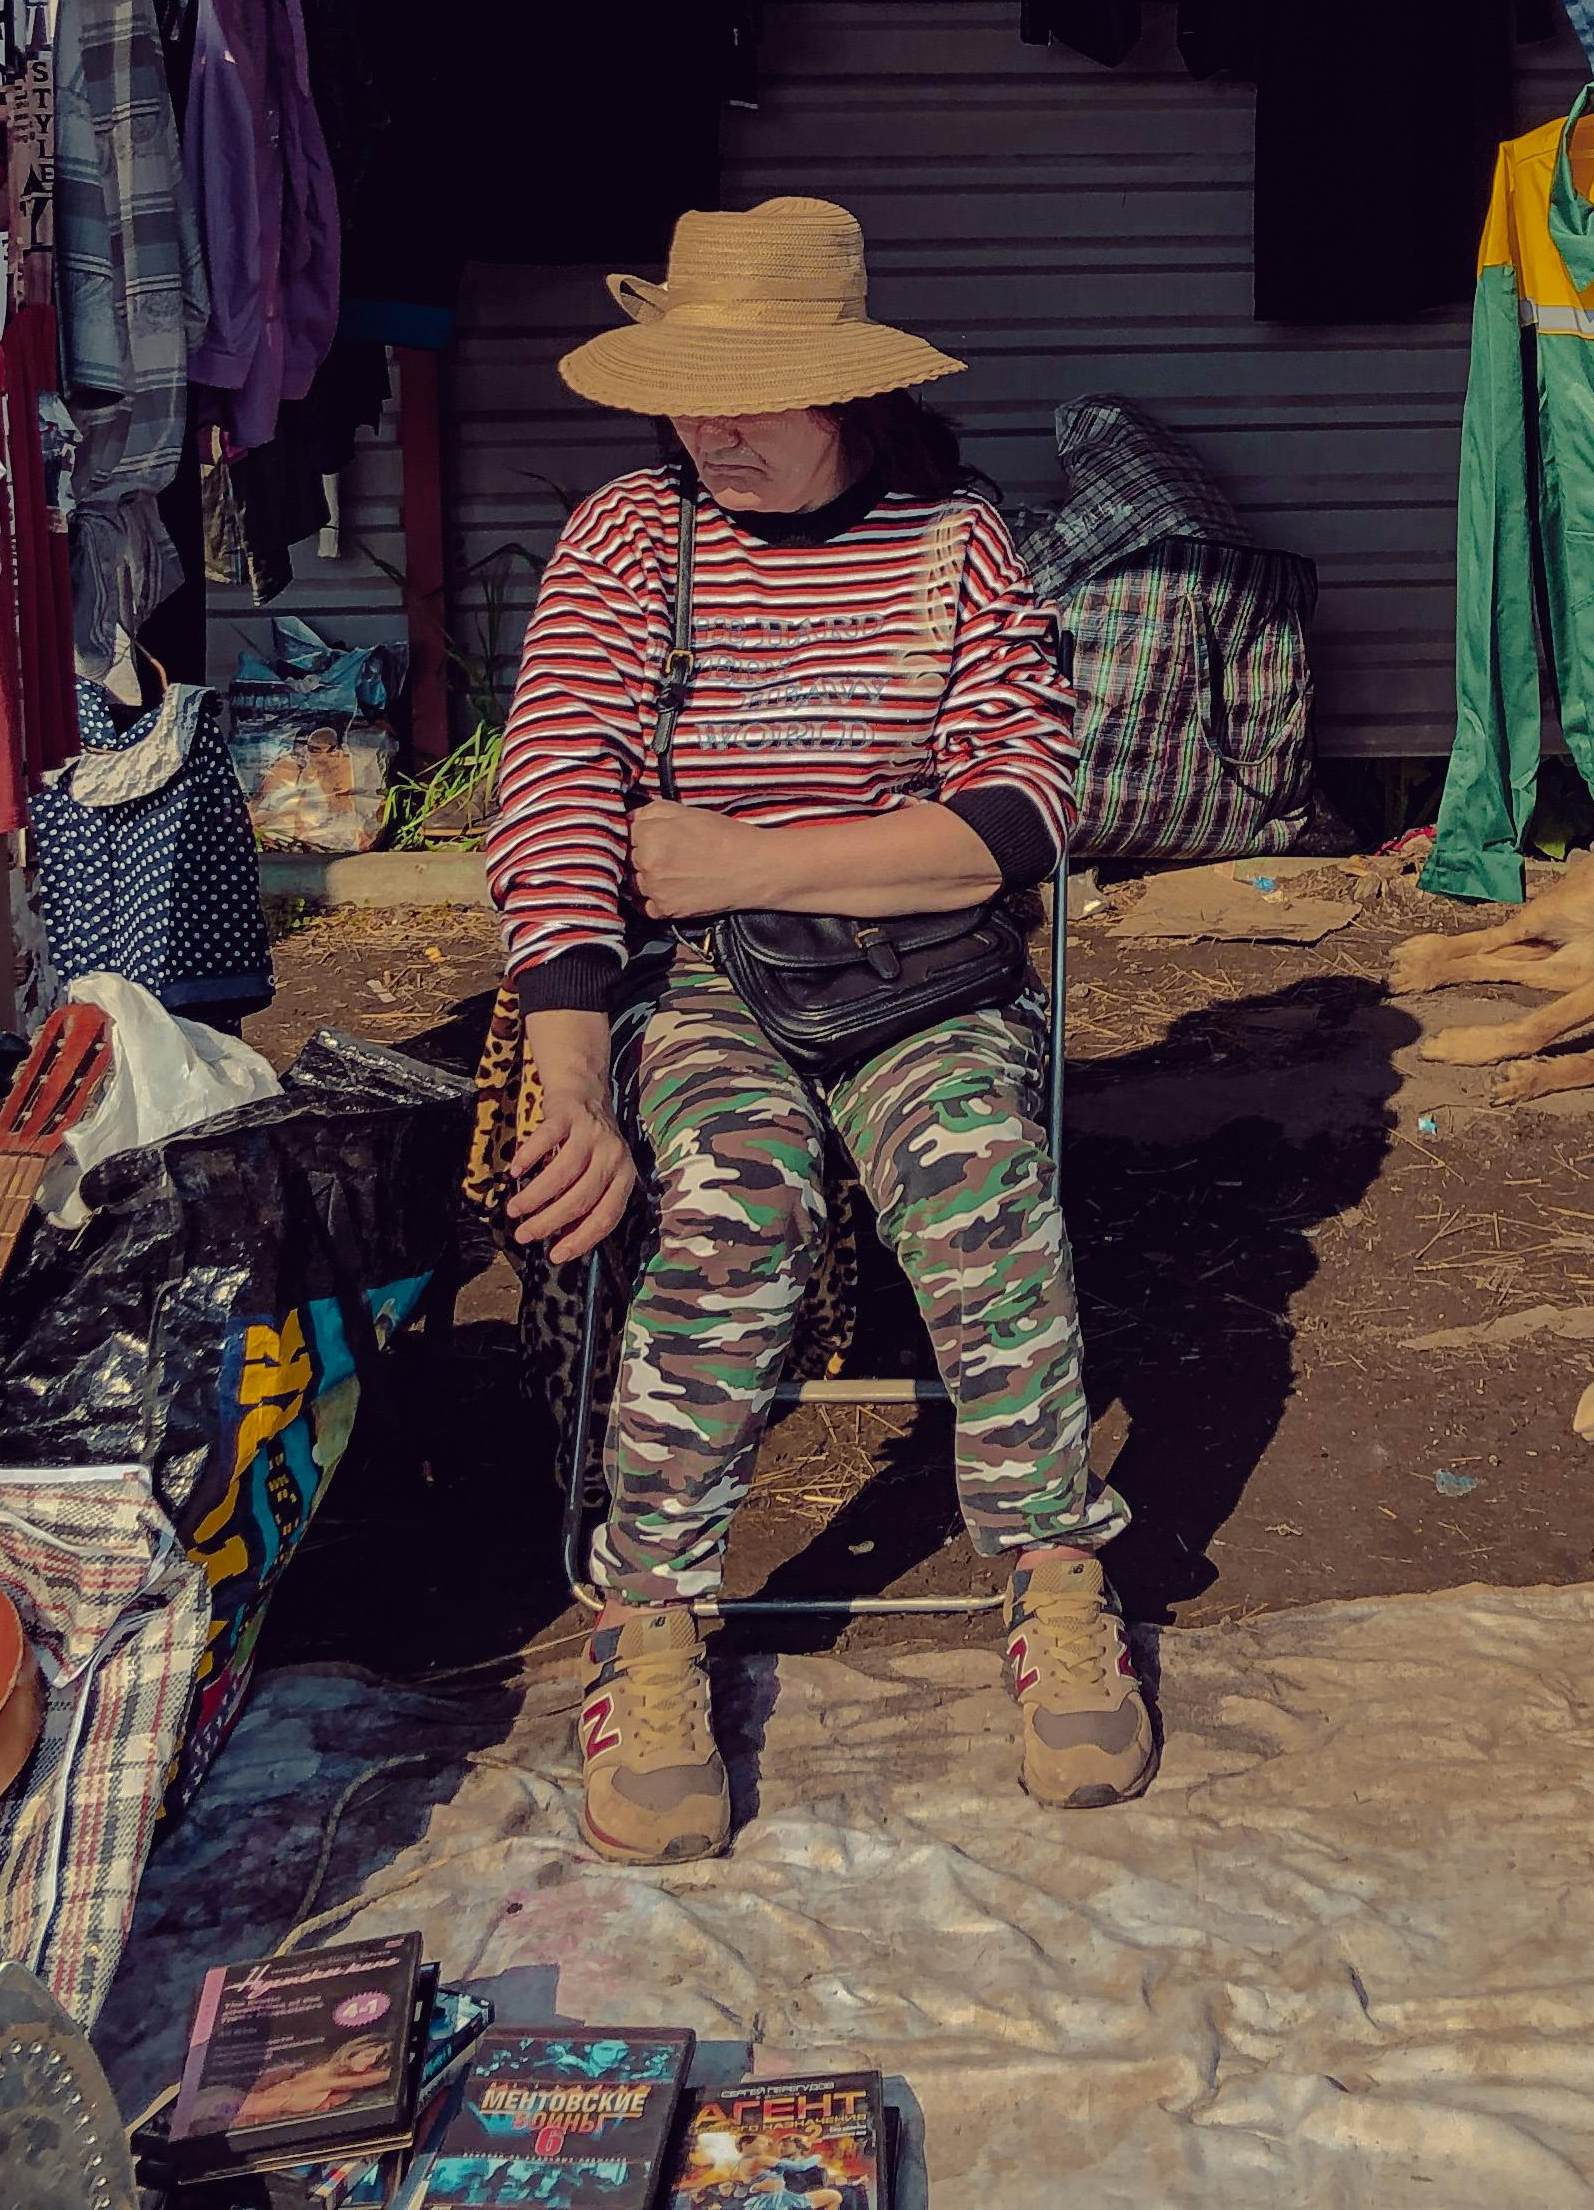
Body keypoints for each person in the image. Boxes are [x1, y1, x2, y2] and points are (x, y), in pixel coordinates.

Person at [481, 195, 1150, 1862]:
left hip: (920, 973)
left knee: (982, 1175)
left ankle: (1054, 1570)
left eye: (750, 393)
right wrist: (573, 1075)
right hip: (706, 983)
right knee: (727, 1199)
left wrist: (743, 854)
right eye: (685, 391)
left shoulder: (959, 540)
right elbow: (560, 793)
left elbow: (1017, 816)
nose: (708, 427)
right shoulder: (636, 537)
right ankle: (650, 1617)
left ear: (851, 392)